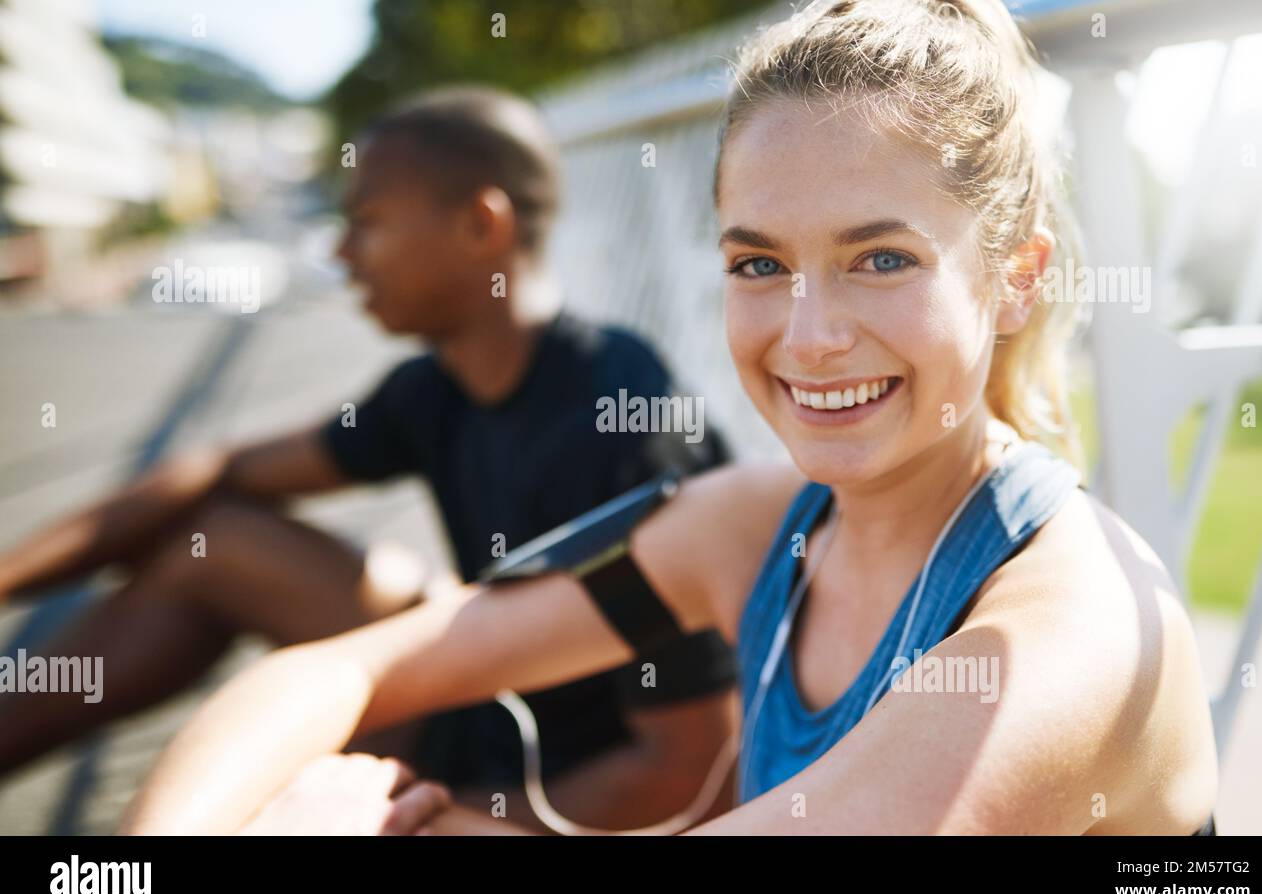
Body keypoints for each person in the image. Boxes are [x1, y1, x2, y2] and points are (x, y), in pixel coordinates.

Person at [119, 0, 1219, 836]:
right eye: (759, 261)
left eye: (880, 259)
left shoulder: (1074, 633)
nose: (809, 333)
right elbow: (336, 671)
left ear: (1015, 278)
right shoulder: (755, 529)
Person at [0, 86, 738, 832]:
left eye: (367, 221)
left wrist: (400, 813)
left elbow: (688, 780)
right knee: (217, 545)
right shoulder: (440, 385)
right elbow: (222, 471)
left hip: (553, 785)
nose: (340, 250)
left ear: (481, 223)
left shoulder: (623, 425)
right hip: (488, 699)